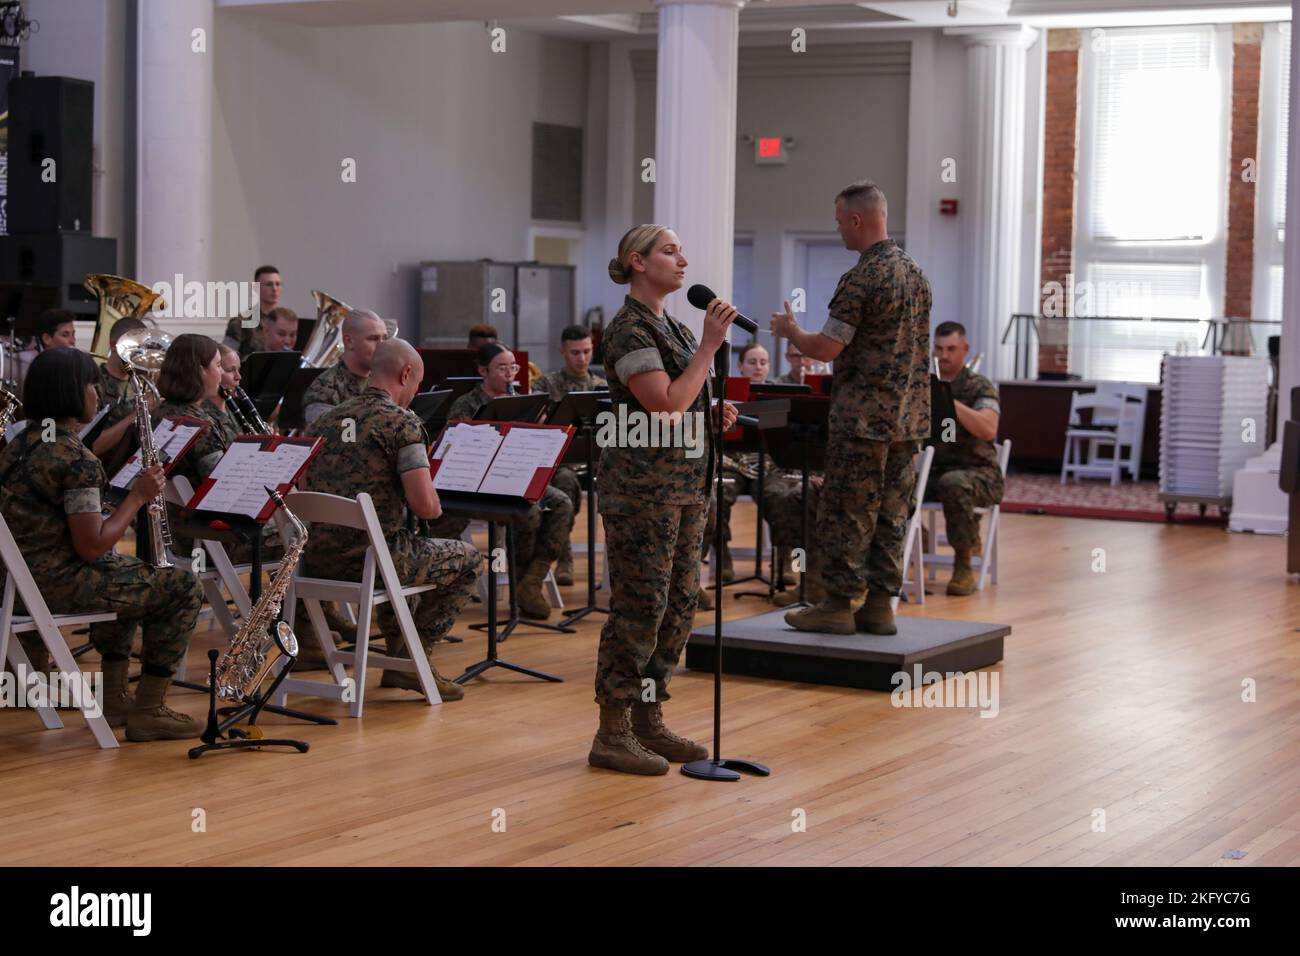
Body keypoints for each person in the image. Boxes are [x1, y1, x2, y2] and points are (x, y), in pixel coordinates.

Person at [592, 223, 738, 776]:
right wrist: (708, 349)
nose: (682, 260)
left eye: (681, 250)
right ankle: (612, 731)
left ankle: (648, 716)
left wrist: (708, 413)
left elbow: (684, 404)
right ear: (636, 261)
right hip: (641, 493)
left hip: (683, 489)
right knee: (641, 607)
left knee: (678, 606)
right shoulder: (629, 331)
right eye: (669, 251)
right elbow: (661, 406)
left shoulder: (670, 326)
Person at [0, 348, 203, 740]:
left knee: (128, 574)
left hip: (13, 588)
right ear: (71, 392)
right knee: (182, 587)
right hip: (54, 587)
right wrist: (136, 498)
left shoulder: (16, 445)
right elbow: (92, 547)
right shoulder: (76, 459)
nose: (98, 394)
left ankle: (114, 698)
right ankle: (149, 708)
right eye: (92, 385)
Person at [771, 180, 930, 636]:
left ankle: (838, 603)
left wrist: (791, 331)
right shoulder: (916, 274)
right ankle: (879, 605)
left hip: (862, 420)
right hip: (907, 421)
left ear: (858, 220)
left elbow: (825, 347)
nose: (839, 229)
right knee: (892, 512)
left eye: (840, 221)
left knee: (846, 510)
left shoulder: (862, 277)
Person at [303, 340, 481, 700]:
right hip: (374, 564)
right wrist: (434, 501)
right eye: (417, 384)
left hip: (317, 562)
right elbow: (425, 506)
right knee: (467, 560)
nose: (415, 393)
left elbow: (304, 488)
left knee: (400, 548)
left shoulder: (323, 421)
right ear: (406, 375)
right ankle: (413, 660)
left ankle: (405, 665)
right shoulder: (402, 424)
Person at [447, 343, 575, 619]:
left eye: (513, 368)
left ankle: (532, 580)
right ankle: (521, 583)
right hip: (481, 485)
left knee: (562, 503)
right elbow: (458, 452)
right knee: (528, 512)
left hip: (516, 477)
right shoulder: (466, 405)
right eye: (502, 368)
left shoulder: (522, 401)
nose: (510, 374)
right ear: (483, 371)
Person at [928, 321, 1002, 596]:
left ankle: (963, 566)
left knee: (954, 483)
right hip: (935, 471)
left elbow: (987, 428)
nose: (943, 355)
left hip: (979, 474)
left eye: (951, 349)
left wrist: (949, 401)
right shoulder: (924, 384)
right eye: (938, 348)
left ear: (965, 350)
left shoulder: (979, 386)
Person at [532, 325, 607, 585]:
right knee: (564, 483)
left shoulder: (601, 387)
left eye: (587, 351)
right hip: (559, 462)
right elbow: (534, 426)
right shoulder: (546, 384)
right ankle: (564, 557)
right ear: (563, 351)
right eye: (575, 352)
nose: (582, 358)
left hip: (595, 460)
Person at [302, 308, 388, 427]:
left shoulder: (383, 381)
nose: (382, 345)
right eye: (373, 339)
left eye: (384, 338)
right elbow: (334, 436)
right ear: (349, 341)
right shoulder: (325, 388)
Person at [222, 265, 282, 354]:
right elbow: (226, 357)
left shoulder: (284, 321)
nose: (275, 289)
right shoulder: (240, 322)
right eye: (269, 284)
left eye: (278, 284)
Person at [94, 317, 149, 410]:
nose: (138, 355)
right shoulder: (94, 383)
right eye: (132, 347)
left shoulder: (140, 384)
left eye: (141, 348)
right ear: (114, 345)